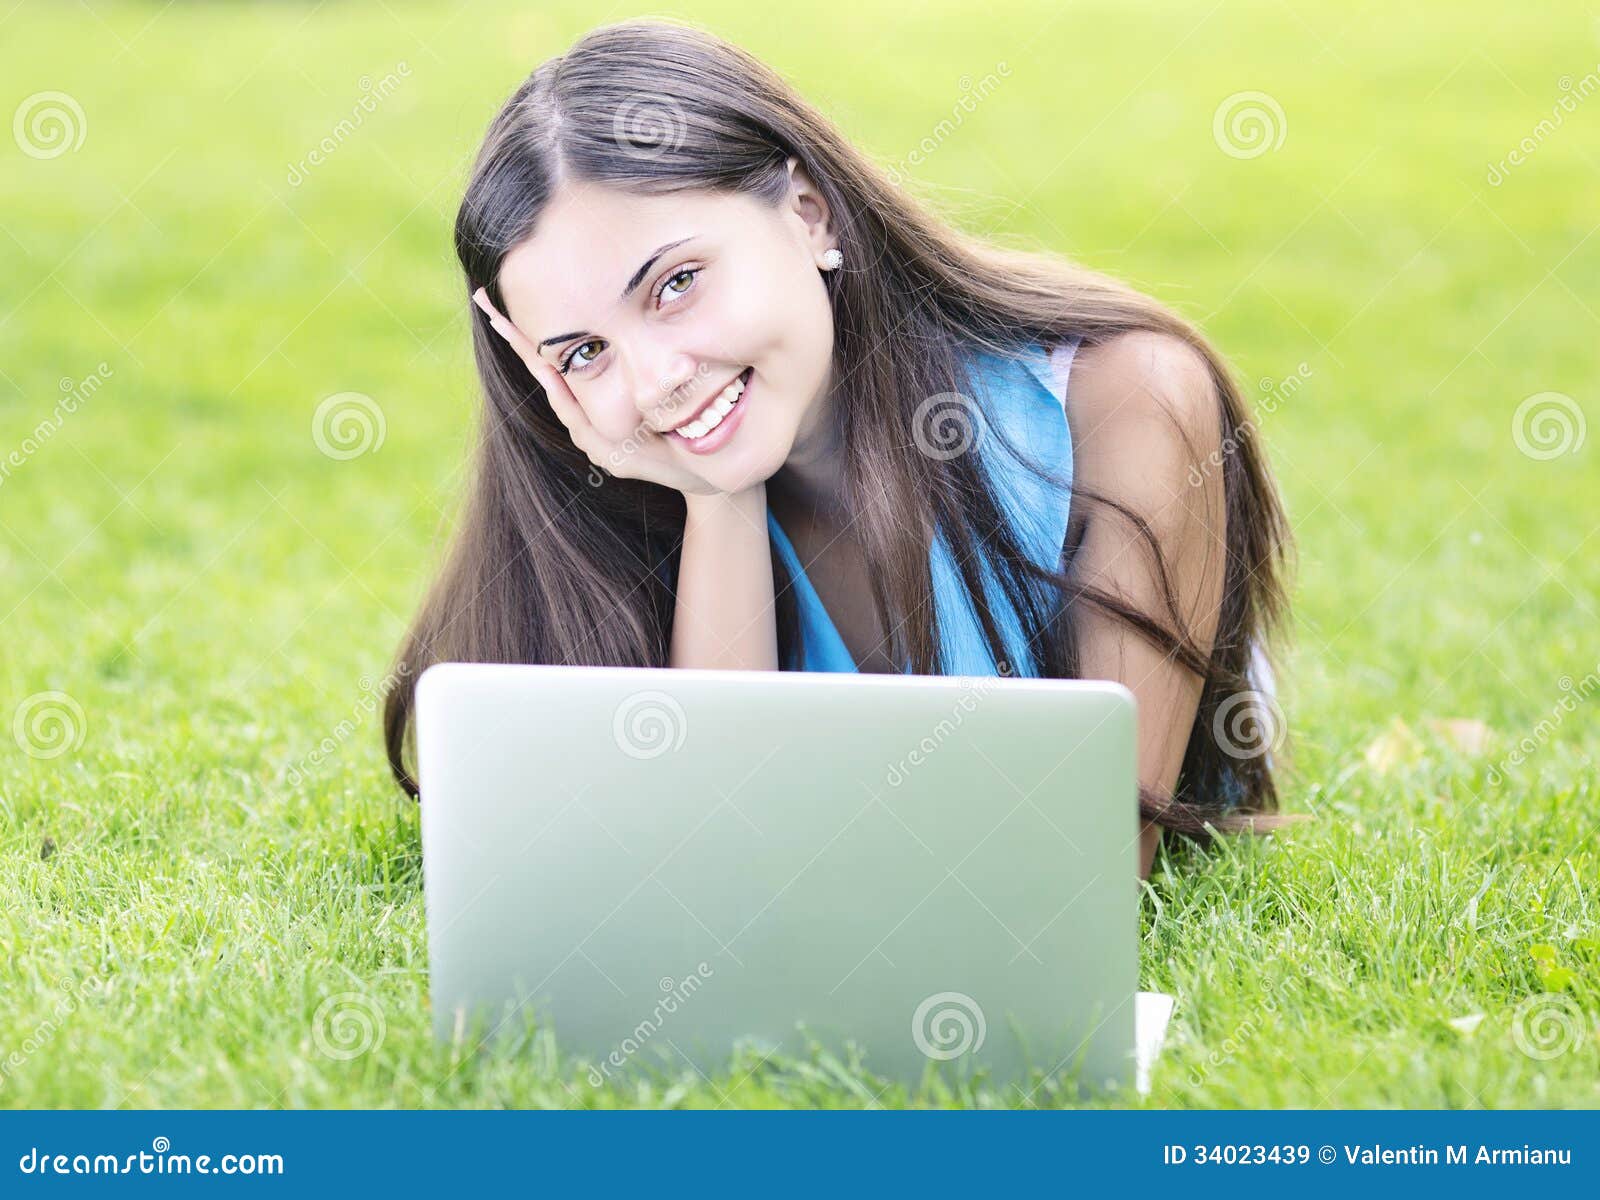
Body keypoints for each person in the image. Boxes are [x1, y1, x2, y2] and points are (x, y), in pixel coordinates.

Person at [383, 18, 1297, 880]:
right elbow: (715, 856)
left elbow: (1085, 871)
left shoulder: (1128, 399)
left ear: (810, 213)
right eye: (584, 352)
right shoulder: (637, 494)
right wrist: (716, 499)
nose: (655, 380)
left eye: (676, 285)